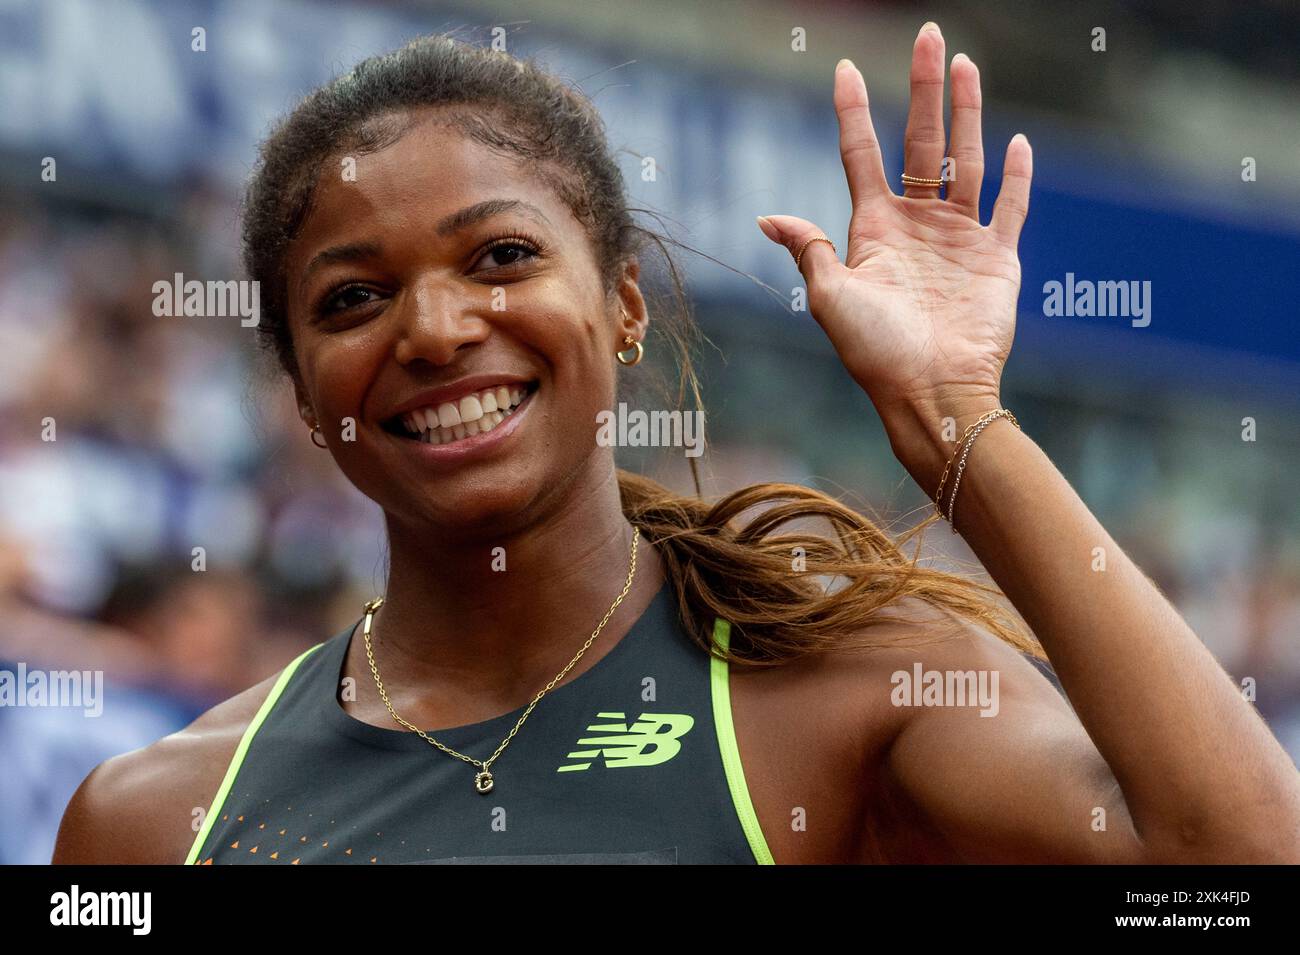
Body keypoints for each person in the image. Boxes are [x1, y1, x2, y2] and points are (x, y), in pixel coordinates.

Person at [53, 23, 1300, 864]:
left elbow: (1236, 859)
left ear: (624, 305)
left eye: (501, 258)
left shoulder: (839, 690)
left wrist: (952, 418)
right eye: (352, 298)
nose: (433, 330)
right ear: (300, 387)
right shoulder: (156, 818)